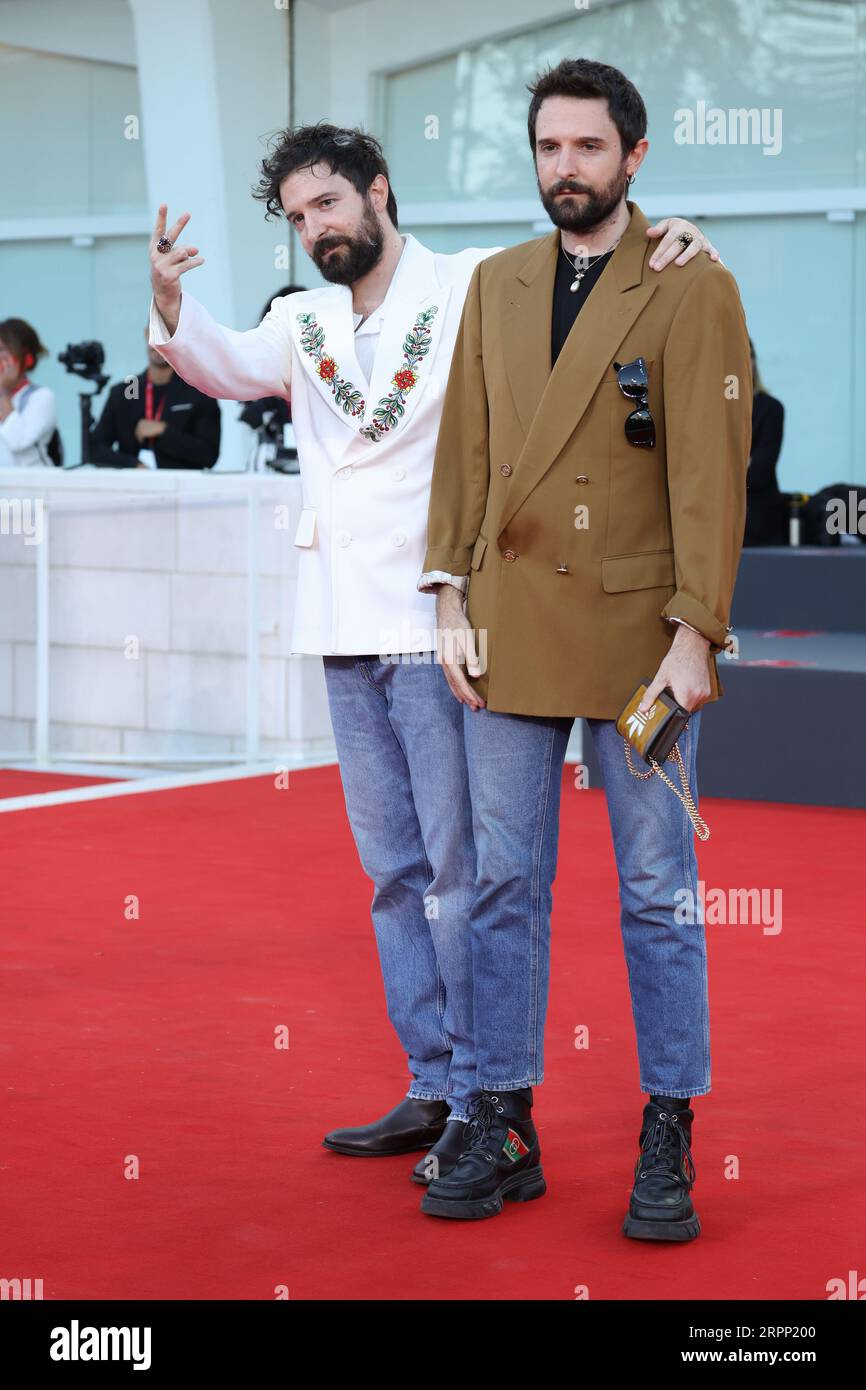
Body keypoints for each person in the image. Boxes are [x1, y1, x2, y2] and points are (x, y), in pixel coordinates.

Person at [145, 120, 721, 1186]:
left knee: (467, 874)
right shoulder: (301, 317)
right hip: (339, 625)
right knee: (390, 874)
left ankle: (478, 1097)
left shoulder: (468, 283)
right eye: (297, 215)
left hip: (442, 627)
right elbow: (223, 369)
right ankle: (430, 1077)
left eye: (328, 204)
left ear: (377, 192)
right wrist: (175, 311)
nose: (315, 228)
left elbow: (579, 259)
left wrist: (678, 238)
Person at [419, 59, 752, 1238]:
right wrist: (446, 596)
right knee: (501, 884)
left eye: (587, 148)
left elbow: (710, 475)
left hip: (635, 643)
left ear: (634, 157)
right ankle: (501, 1116)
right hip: (507, 627)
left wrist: (694, 630)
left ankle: (669, 1126)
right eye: (549, 147)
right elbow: (466, 447)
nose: (565, 167)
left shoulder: (685, 280)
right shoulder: (495, 282)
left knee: (657, 892)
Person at [90, 325, 220, 469]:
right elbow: (95, 449)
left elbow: (209, 455)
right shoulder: (124, 392)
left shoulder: (199, 391)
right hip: (134, 488)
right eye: (155, 333)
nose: (159, 342)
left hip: (182, 488)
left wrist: (164, 431)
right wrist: (133, 465)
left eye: (167, 335)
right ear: (146, 334)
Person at [0, 318, 60, 467]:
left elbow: (18, 441)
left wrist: (2, 391)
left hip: (32, 486)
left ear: (26, 358)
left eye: (3, 351)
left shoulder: (41, 397)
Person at [743, 338, 786, 545]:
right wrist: (745, 461)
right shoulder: (713, 412)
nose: (745, 361)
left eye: (749, 355)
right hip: (719, 520)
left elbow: (760, 472)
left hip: (760, 522)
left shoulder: (771, 408)